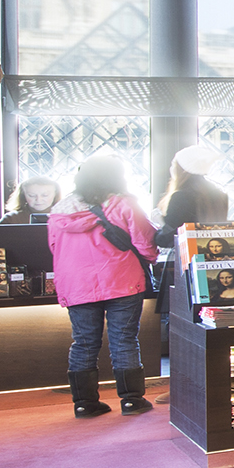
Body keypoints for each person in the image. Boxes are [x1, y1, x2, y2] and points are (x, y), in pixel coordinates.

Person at [47, 156, 158, 418]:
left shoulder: (59, 211)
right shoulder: (123, 204)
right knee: (124, 340)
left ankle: (84, 403)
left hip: (77, 285)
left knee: (83, 343)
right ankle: (131, 400)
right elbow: (145, 242)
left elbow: (54, 248)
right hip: (123, 281)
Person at [159, 144, 231, 241]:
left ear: (184, 170)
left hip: (187, 255)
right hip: (211, 253)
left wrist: (161, 223)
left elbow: (167, 239)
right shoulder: (220, 195)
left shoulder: (180, 197)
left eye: (174, 165)